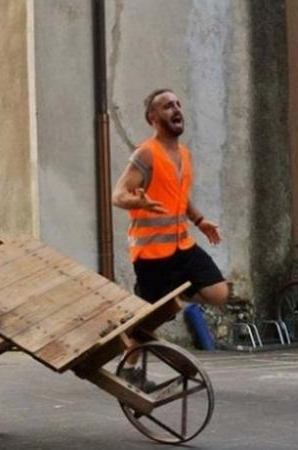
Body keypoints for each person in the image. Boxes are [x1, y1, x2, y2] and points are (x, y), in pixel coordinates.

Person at [111, 88, 229, 386]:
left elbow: (180, 196)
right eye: (166, 106)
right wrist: (137, 202)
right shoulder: (146, 153)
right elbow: (118, 194)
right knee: (147, 323)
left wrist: (200, 220)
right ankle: (129, 369)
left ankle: (174, 294)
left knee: (218, 292)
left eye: (177, 104)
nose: (176, 109)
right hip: (152, 256)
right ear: (153, 118)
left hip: (182, 245)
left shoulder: (185, 156)